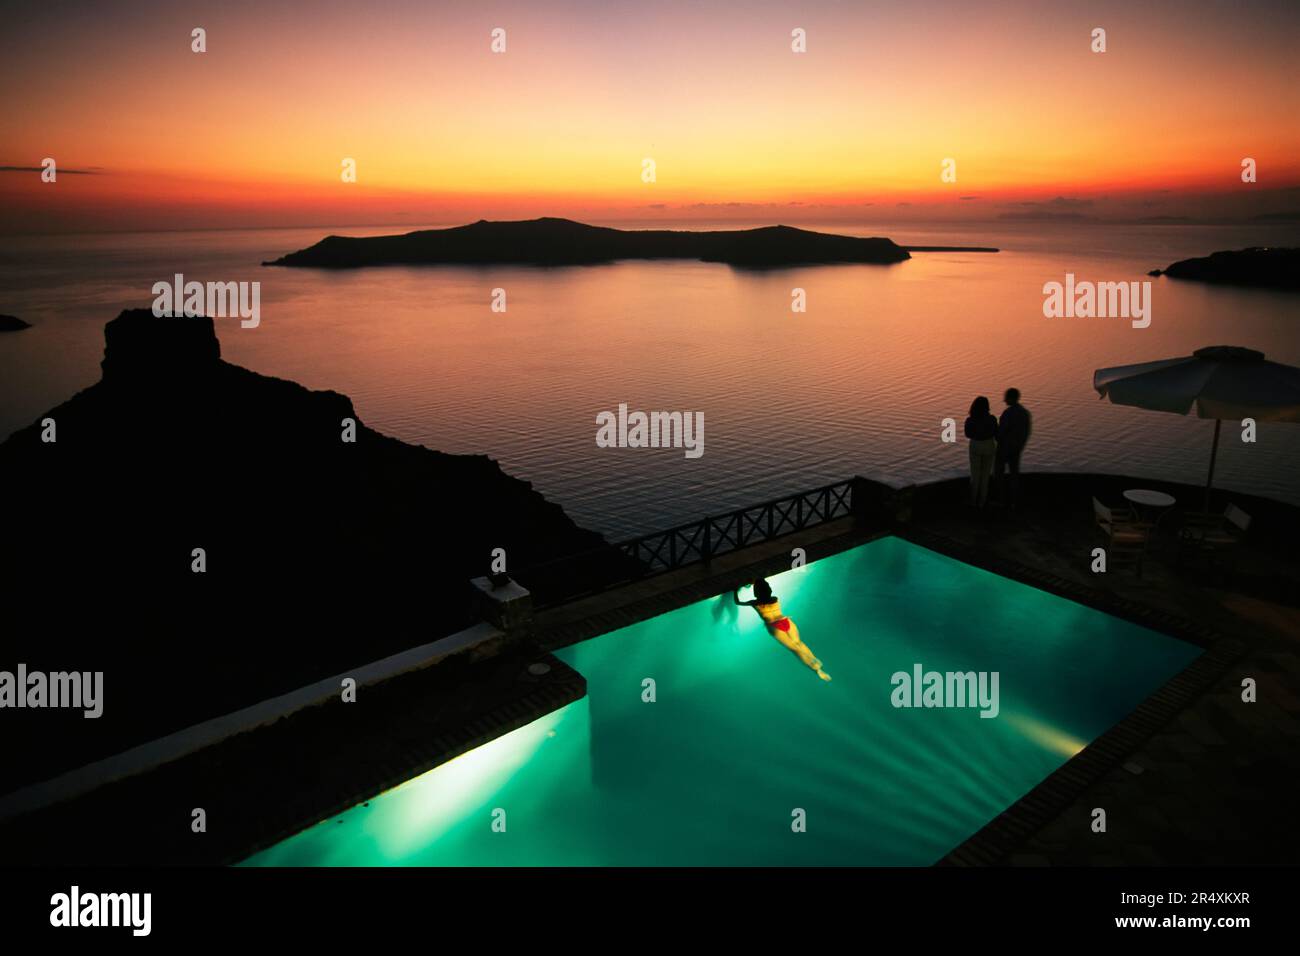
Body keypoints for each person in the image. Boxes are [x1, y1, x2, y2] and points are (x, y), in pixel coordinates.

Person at [734, 578, 830, 681]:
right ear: (768, 590)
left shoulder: (754, 602)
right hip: (785, 621)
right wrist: (756, 582)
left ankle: (816, 670)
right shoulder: (774, 598)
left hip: (773, 626)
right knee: (799, 643)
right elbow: (763, 589)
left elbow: (738, 602)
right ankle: (817, 665)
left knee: (794, 649)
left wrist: (735, 589)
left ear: (756, 592)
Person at [996, 387, 1032, 508]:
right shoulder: (1024, 413)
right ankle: (1013, 501)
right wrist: (1021, 445)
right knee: (1014, 474)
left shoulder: (1008, 413)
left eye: (1006, 397)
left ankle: (1000, 500)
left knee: (999, 474)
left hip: (1004, 449)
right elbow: (1027, 431)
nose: (1004, 399)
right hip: (1017, 448)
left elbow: (1001, 432)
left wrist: (997, 440)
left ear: (1011, 398)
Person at [963, 396, 998, 508]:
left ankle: (973, 501)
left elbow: (968, 434)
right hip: (989, 445)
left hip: (975, 446)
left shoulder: (970, 420)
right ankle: (982, 502)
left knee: (975, 475)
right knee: (985, 476)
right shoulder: (992, 419)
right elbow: (996, 433)